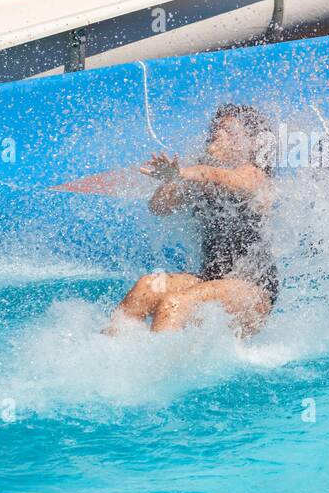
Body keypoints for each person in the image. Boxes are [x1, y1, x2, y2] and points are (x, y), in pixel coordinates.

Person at [107, 104, 278, 336]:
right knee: (146, 287)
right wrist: (174, 181)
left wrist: (184, 174)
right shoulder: (199, 179)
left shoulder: (255, 175)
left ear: (251, 143)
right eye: (216, 129)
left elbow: (218, 176)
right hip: (210, 280)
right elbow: (159, 206)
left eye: (228, 131)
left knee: (174, 304)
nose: (217, 134)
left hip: (252, 291)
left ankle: (159, 370)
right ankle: (108, 357)